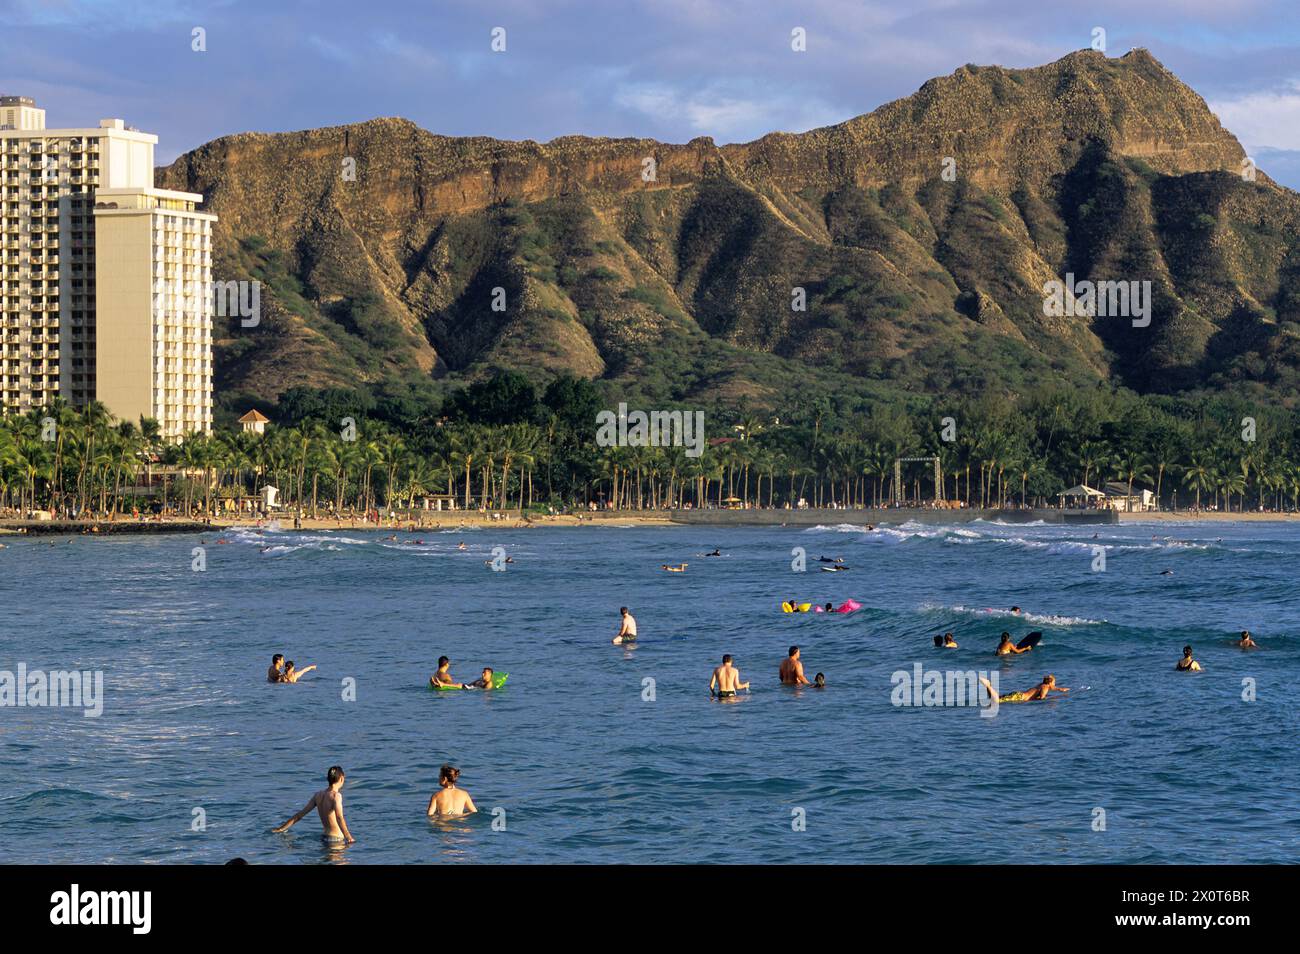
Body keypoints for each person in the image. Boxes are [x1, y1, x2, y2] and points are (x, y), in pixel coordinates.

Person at [272, 765, 355, 847]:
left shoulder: (318, 795)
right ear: (341, 778)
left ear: (328, 779)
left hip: (324, 838)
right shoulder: (336, 796)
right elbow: (339, 817)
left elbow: (299, 815)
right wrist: (348, 836)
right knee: (342, 861)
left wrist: (281, 829)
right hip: (336, 839)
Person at [979, 674, 1069, 704]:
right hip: (1019, 697)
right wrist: (1055, 697)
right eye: (1054, 682)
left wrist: (1059, 689)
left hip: (1018, 695)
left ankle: (988, 685)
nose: (1054, 684)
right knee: (996, 701)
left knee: (995, 699)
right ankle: (988, 685)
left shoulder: (1041, 685)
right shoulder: (1045, 687)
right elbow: (1042, 699)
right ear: (1050, 683)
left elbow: (1051, 688)